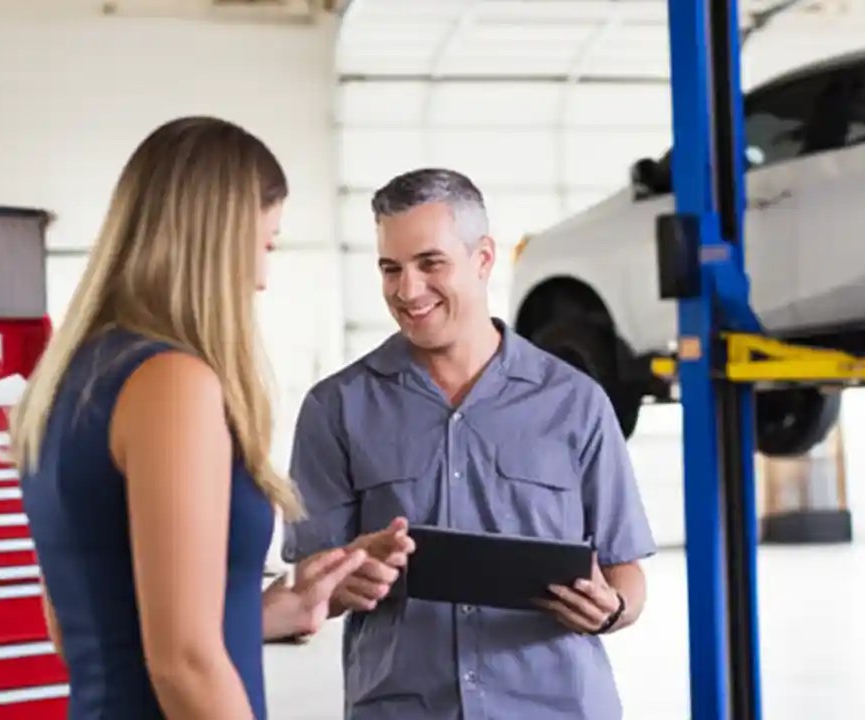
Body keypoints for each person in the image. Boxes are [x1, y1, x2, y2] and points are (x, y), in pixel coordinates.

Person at [10, 116, 397, 720]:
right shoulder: (170, 383)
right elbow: (184, 663)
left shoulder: (69, 379)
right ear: (220, 237)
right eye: (265, 245)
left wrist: (275, 608)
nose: (263, 280)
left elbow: (90, 631)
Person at [281, 167, 658, 719]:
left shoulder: (575, 402)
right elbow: (307, 590)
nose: (408, 291)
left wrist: (611, 607)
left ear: (483, 258)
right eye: (391, 269)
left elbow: (627, 571)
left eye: (430, 264)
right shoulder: (335, 408)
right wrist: (348, 578)